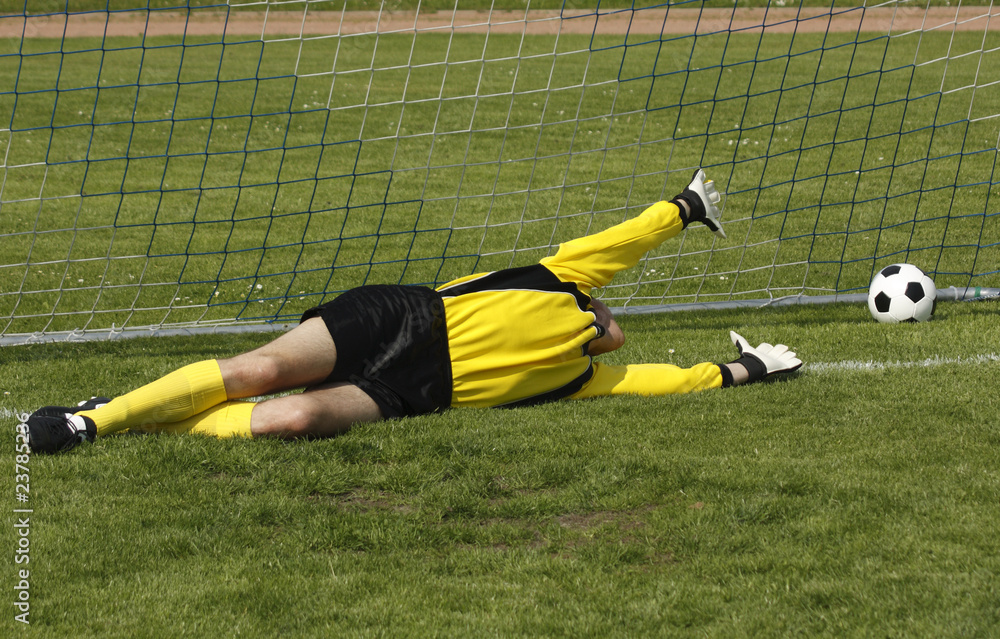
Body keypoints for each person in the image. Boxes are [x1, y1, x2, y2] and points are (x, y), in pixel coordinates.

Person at [25, 170, 802, 454]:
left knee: (288, 421)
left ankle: (132, 413)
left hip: (415, 394)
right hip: (403, 317)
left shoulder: (573, 380)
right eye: (607, 314)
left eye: (610, 335)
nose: (611, 326)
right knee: (255, 370)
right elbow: (622, 240)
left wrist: (741, 370)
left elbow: (662, 381)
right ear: (595, 302)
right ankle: (94, 422)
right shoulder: (563, 277)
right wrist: (684, 207)